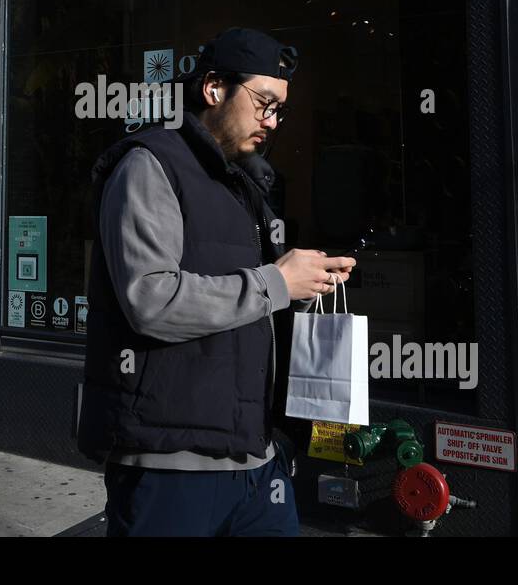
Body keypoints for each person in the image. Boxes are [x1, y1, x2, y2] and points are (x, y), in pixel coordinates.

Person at [78, 27, 356, 536]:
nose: (271, 122)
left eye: (279, 110)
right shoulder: (150, 166)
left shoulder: (246, 184)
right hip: (171, 467)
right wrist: (276, 281)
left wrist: (307, 278)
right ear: (213, 89)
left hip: (257, 458)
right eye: (263, 103)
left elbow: (249, 299)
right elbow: (151, 300)